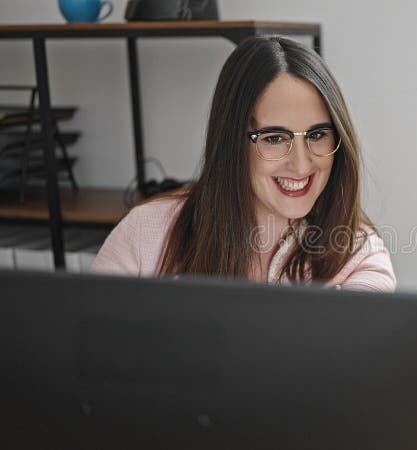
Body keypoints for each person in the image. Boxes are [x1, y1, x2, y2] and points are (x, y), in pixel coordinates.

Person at [92, 36, 395, 291]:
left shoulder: (360, 254)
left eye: (317, 134)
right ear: (232, 141)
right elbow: (89, 346)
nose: (301, 164)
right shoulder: (146, 230)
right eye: (274, 138)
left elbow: (349, 356)